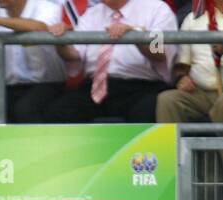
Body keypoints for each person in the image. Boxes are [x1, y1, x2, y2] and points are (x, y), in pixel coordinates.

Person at [43, 0, 178, 123]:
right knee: (58, 111)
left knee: (148, 110)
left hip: (140, 87)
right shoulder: (91, 14)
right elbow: (74, 55)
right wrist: (60, 40)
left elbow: (159, 52)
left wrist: (135, 34)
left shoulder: (156, 8)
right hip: (94, 88)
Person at [0, 0, 68, 122]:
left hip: (48, 84)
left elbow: (41, 27)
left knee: (25, 109)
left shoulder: (47, 6)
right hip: (7, 87)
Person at [155, 0, 223, 127]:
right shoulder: (194, 17)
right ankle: (174, 147)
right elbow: (182, 63)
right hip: (201, 92)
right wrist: (182, 77)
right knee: (167, 100)